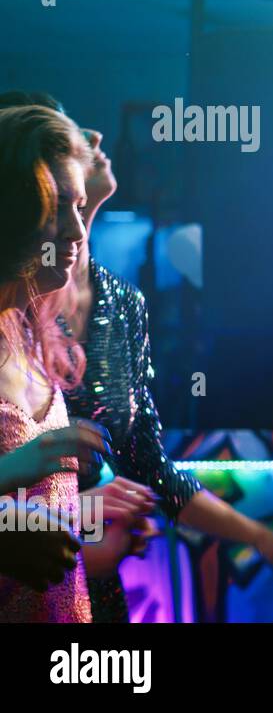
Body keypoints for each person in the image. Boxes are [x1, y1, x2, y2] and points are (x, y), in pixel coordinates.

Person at [0, 91, 273, 620]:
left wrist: (267, 543)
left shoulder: (77, 315)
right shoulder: (29, 306)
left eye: (76, 205)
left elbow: (142, 468)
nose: (94, 140)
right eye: (61, 202)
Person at [0, 104, 101, 621]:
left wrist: (95, 523)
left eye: (82, 206)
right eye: (59, 205)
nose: (77, 229)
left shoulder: (29, 331)